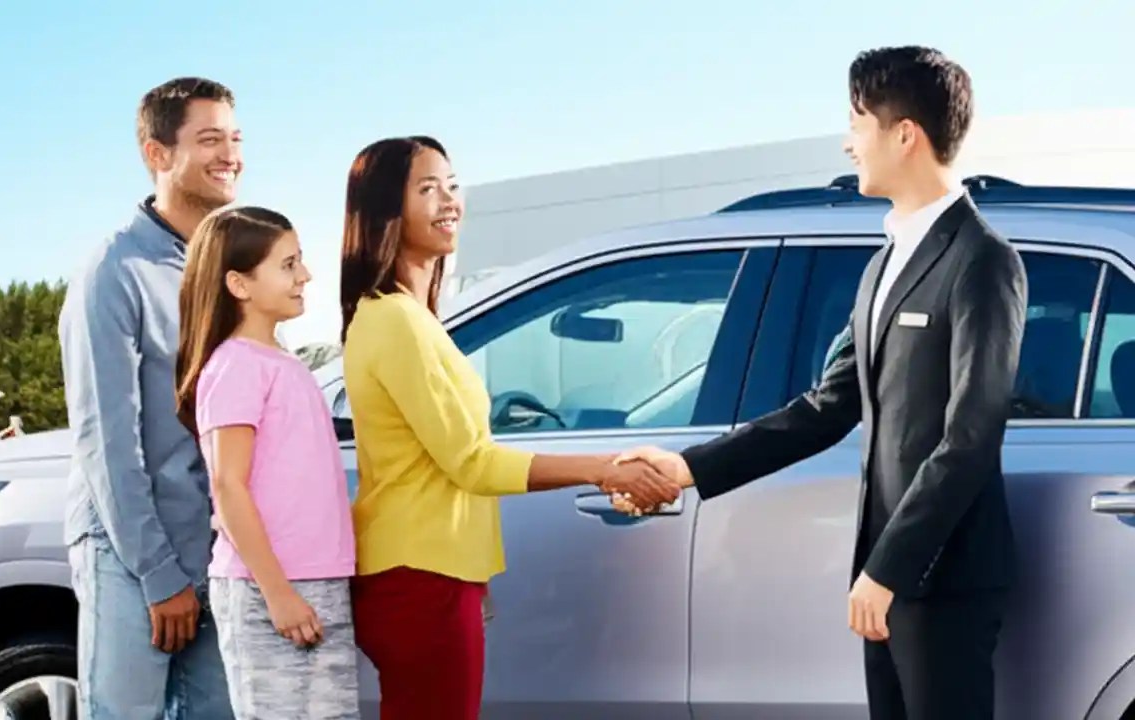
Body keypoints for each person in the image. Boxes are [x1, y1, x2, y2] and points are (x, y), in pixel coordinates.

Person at [620, 47, 1027, 720]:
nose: (847, 142)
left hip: (941, 578)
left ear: (905, 135)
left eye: (857, 122)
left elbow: (971, 436)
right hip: (885, 581)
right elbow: (825, 408)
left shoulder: (983, 261)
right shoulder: (882, 266)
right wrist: (687, 468)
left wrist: (891, 567)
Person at [338, 135, 682, 720]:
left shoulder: (410, 318)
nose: (449, 200)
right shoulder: (394, 320)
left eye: (451, 184)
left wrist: (472, 575)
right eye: (427, 189)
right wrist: (601, 468)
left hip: (433, 574)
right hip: (419, 580)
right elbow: (471, 461)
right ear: (385, 210)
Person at [59, 76, 242, 719]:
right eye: (210, 139)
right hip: (131, 550)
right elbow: (107, 441)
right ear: (157, 154)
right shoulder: (114, 272)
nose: (231, 155)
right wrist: (160, 575)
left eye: (235, 138)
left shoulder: (227, 271)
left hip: (214, 550)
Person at [175, 207, 359, 720]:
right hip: (270, 589)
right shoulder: (234, 366)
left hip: (315, 583)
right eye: (289, 264)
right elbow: (228, 487)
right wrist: (277, 595)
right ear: (239, 283)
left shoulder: (282, 362)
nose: (305, 275)